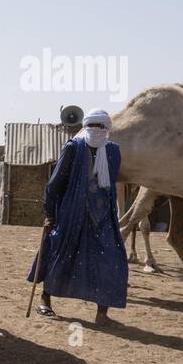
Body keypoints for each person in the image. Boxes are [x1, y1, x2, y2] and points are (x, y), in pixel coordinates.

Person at [28, 108, 129, 325]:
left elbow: (110, 183)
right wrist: (50, 213)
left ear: (107, 129)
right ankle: (45, 300)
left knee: (110, 259)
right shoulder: (74, 148)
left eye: (101, 126)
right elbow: (55, 183)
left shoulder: (112, 151)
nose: (97, 130)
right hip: (71, 213)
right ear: (86, 126)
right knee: (61, 253)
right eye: (92, 125)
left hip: (101, 215)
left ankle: (102, 313)